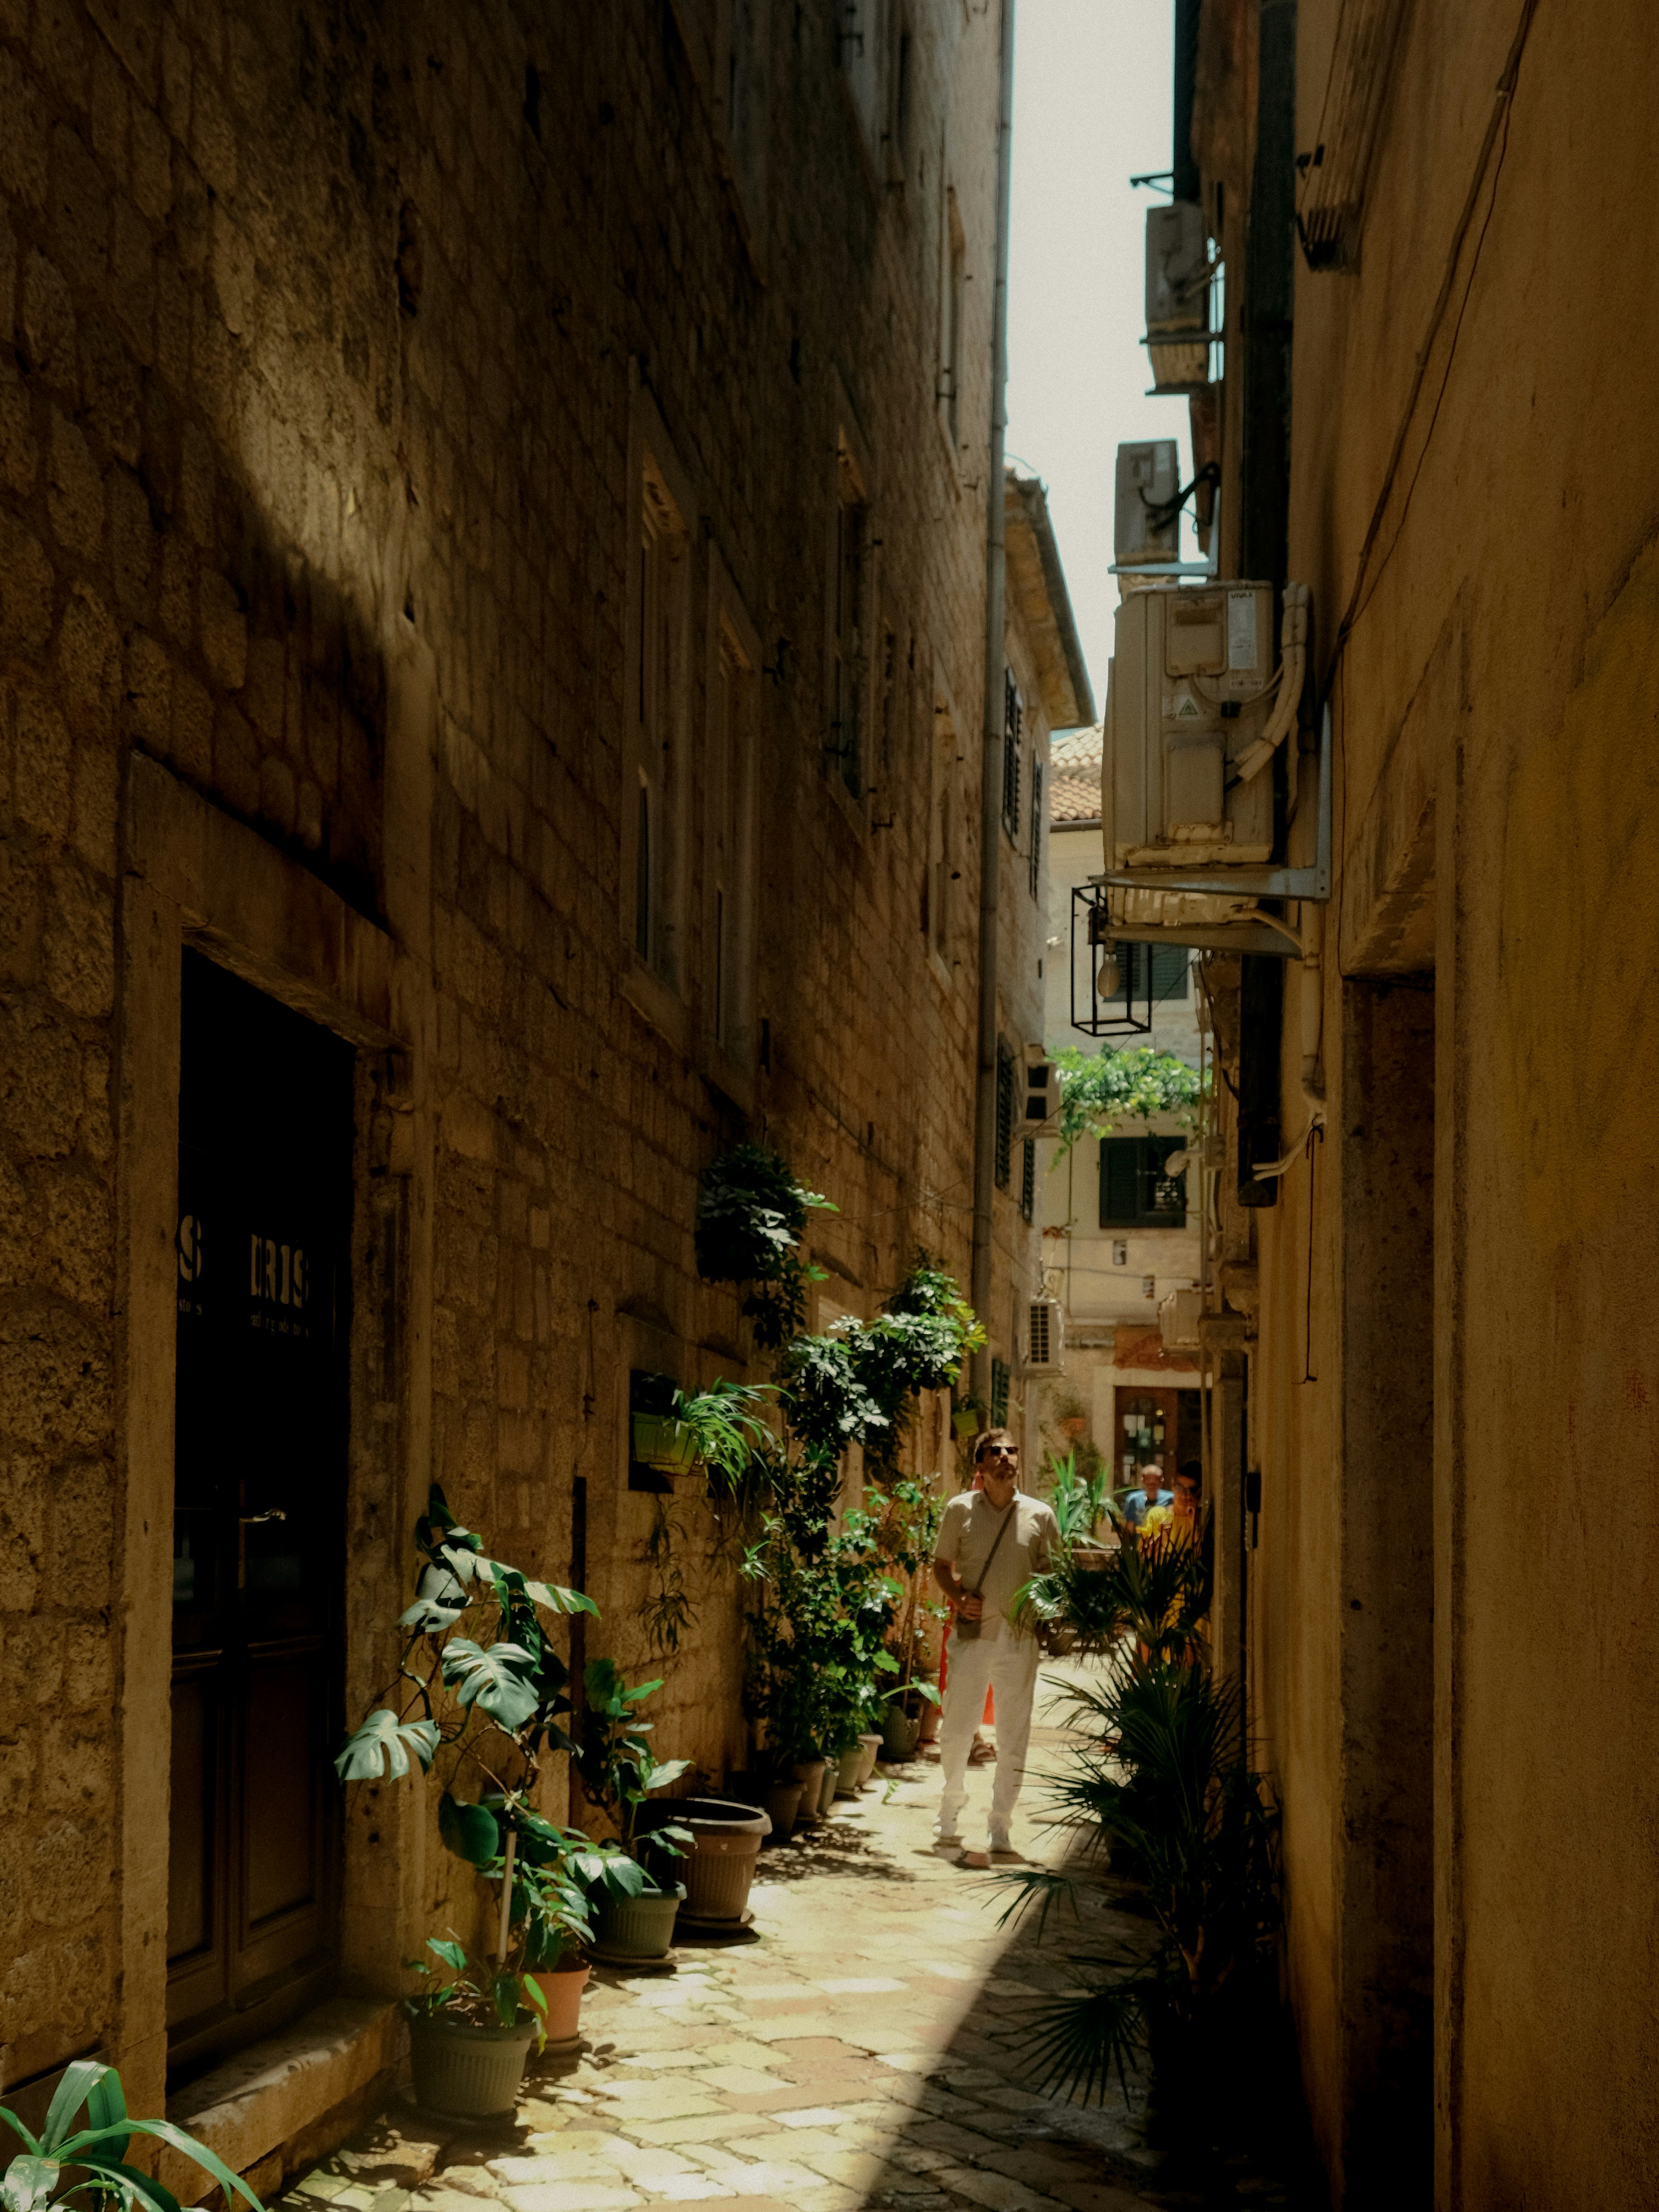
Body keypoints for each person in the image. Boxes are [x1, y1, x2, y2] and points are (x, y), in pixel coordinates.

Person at [932, 1427, 1060, 1865]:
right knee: (956, 1728)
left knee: (1014, 1734)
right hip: (973, 1636)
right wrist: (957, 1597)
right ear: (980, 1465)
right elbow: (940, 1567)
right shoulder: (959, 1510)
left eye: (1012, 1449)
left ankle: (1000, 1823)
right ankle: (949, 1809)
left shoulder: (1040, 1515)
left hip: (1019, 1638)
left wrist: (1047, 1606)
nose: (1006, 1456)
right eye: (995, 1451)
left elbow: (1051, 1574)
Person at [1117, 1458, 1173, 1530]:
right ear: (1143, 1481)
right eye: (1148, 1483)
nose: (1151, 1486)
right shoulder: (1134, 1499)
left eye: (1154, 1483)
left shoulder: (1171, 1499)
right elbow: (1129, 1527)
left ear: (1161, 1482)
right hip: (1140, 1541)